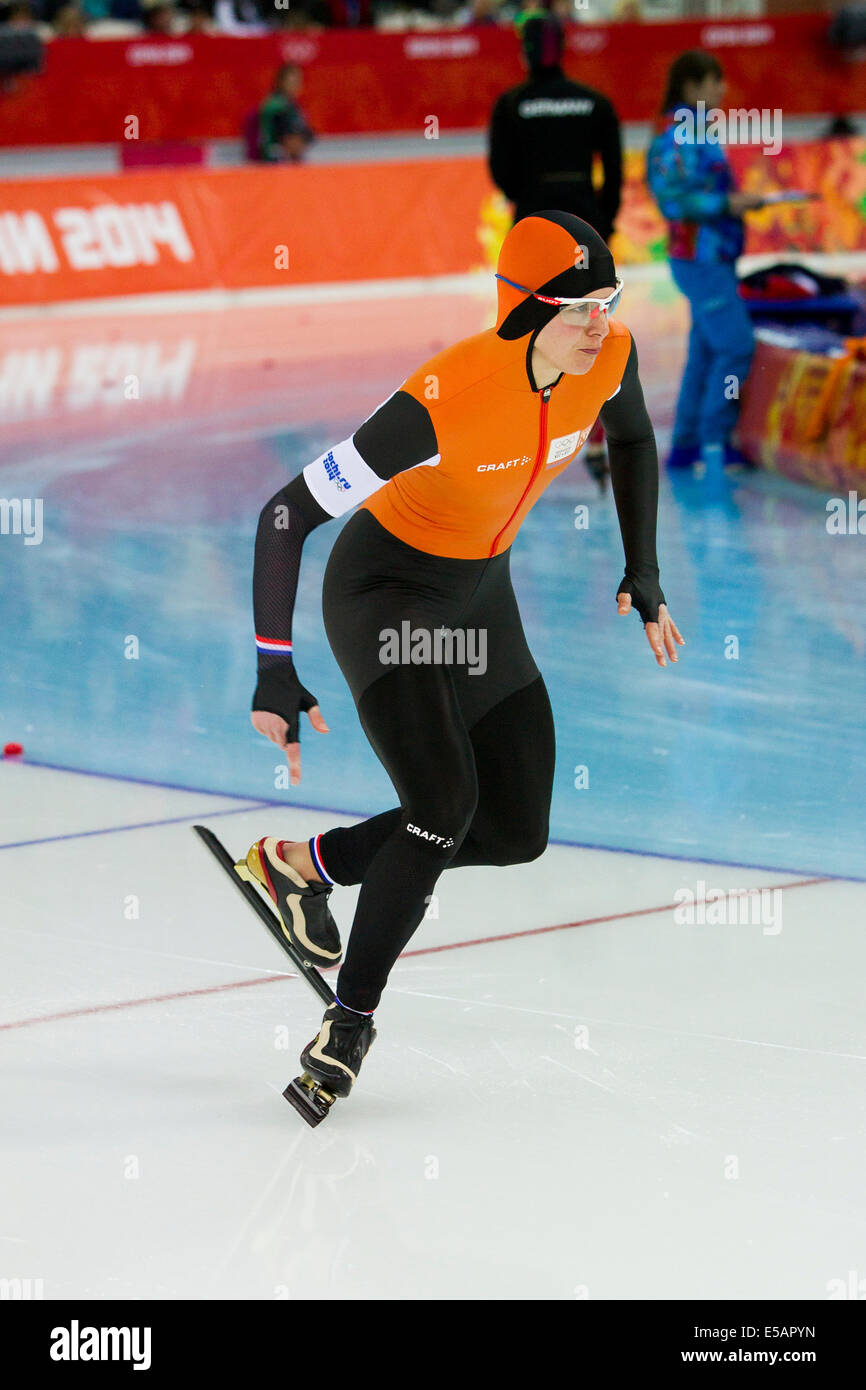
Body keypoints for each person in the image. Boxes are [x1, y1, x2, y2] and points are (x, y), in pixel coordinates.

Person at [244, 211, 683, 1101]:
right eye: (577, 307)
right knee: (442, 803)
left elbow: (632, 438)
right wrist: (273, 666)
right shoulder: (442, 398)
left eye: (608, 299)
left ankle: (301, 867)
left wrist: (644, 571)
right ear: (522, 308)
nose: (599, 323)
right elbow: (285, 514)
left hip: (481, 596)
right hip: (387, 595)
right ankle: (349, 1025)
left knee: (516, 829)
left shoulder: (610, 355)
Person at [489, 15, 623, 489]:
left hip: (534, 227)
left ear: (523, 52)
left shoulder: (510, 104)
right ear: (564, 49)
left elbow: (500, 172)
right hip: (587, 225)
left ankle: (517, 435)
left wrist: (531, 199)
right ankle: (599, 434)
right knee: (594, 329)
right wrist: (600, 219)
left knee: (524, 328)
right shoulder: (594, 101)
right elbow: (615, 171)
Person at [646, 50, 765, 471]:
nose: (722, 89)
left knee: (705, 350)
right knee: (735, 345)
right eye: (715, 81)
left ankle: (686, 445)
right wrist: (728, 203)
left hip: (712, 256)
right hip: (701, 259)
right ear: (691, 86)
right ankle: (716, 439)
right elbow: (673, 199)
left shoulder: (697, 131)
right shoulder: (681, 134)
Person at [253, 63, 314, 164]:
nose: (296, 85)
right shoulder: (277, 106)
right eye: (292, 81)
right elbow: (289, 136)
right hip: (275, 161)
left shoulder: (293, 105)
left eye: (298, 81)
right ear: (281, 82)